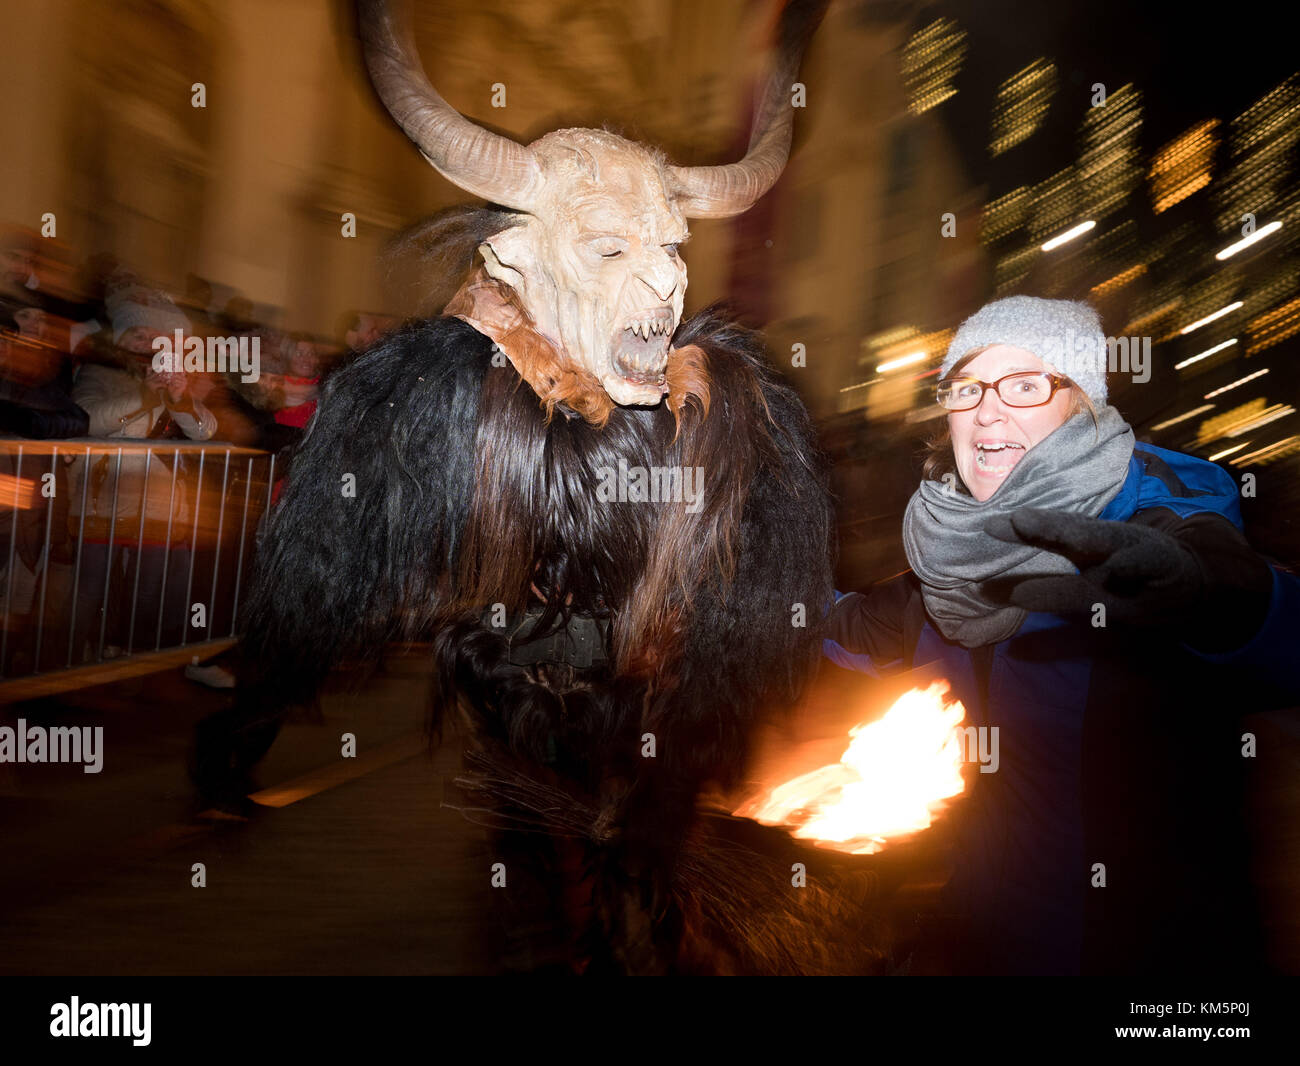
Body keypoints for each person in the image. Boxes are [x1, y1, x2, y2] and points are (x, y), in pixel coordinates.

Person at [825, 295, 1300, 976]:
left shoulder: (1166, 522)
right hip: (982, 942)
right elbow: (833, 629)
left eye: (1025, 384)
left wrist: (1223, 603)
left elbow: (1283, 643)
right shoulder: (944, 558)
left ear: (1084, 403)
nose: (988, 411)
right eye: (968, 387)